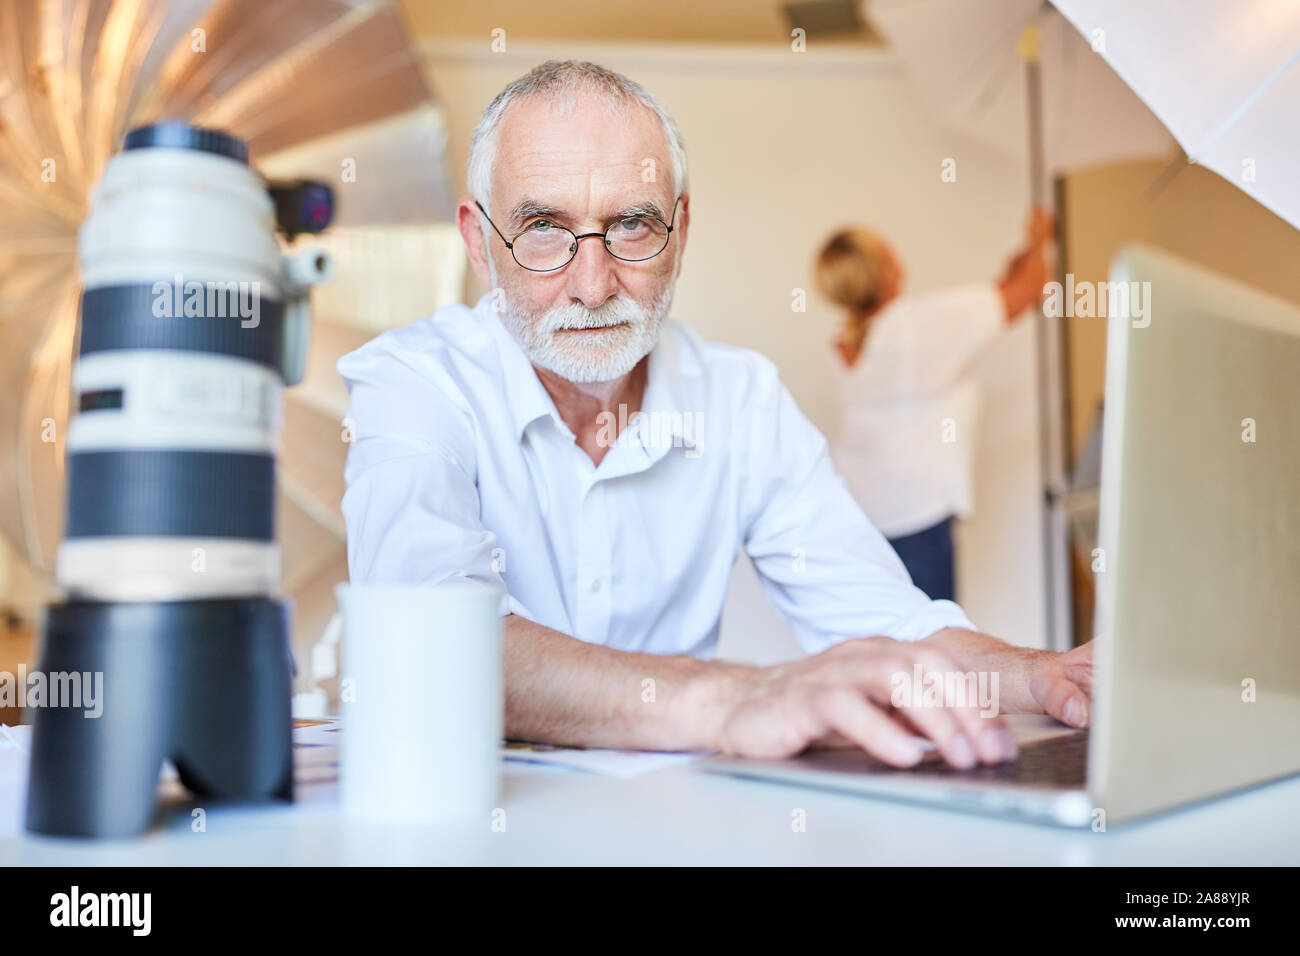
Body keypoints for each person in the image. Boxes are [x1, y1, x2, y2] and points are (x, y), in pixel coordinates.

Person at [338, 60, 1092, 771]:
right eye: (544, 229)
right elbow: (432, 640)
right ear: (478, 241)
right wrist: (734, 698)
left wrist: (1040, 673)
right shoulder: (411, 383)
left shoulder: (741, 398)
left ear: (682, 230)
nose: (593, 284)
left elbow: (885, 621)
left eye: (632, 224)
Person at [813, 213, 1053, 601]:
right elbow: (1026, 288)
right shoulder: (917, 327)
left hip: (861, 519)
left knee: (886, 649)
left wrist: (1028, 249)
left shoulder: (852, 341)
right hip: (915, 523)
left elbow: (1004, 289)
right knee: (932, 651)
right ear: (883, 264)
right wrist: (1041, 238)